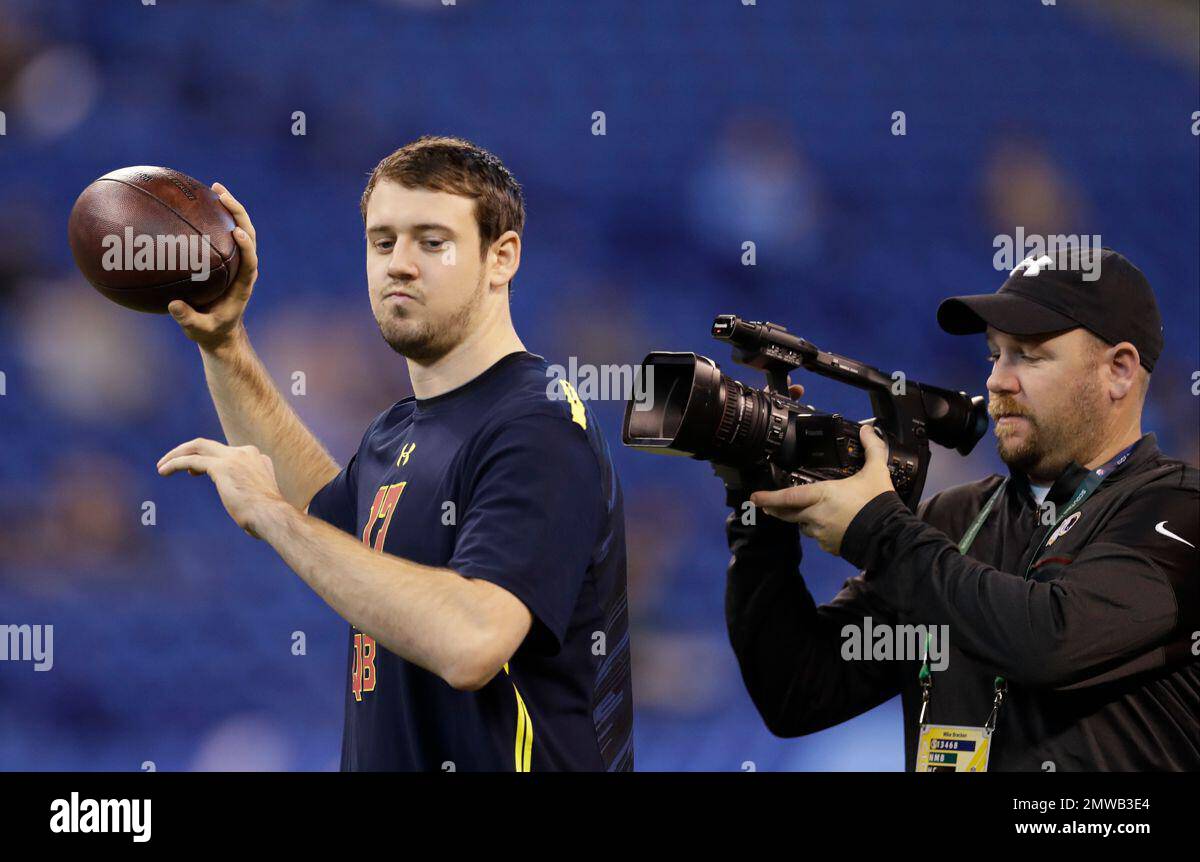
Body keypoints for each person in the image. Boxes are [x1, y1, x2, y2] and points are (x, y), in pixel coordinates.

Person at [158, 136, 633, 771]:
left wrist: (271, 515)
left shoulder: (537, 421)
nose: (399, 264)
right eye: (383, 242)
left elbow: (472, 642)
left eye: (432, 242)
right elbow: (328, 531)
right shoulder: (400, 428)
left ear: (502, 258)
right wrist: (224, 344)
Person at [726, 247, 1198, 770]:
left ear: (1120, 371)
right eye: (995, 354)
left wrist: (877, 528)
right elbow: (799, 692)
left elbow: (1049, 642)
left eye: (1029, 354)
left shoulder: (1178, 509)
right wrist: (759, 512)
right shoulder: (954, 520)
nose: (997, 379)